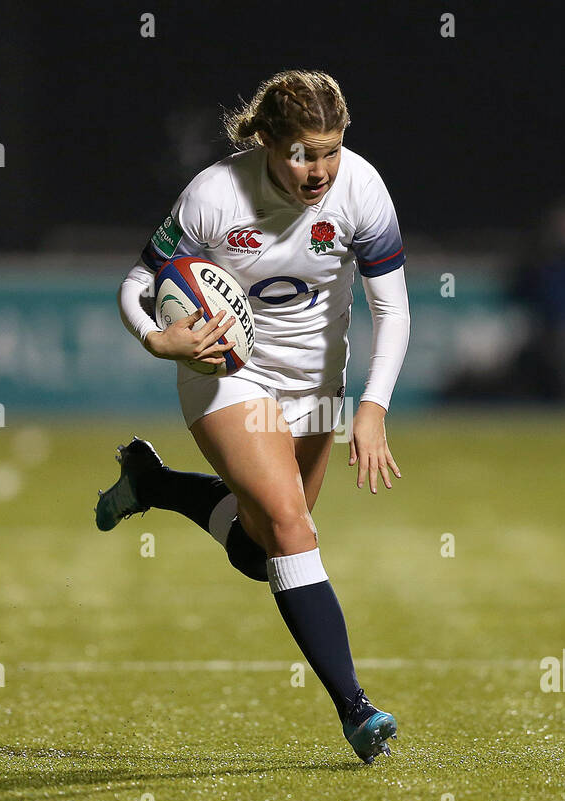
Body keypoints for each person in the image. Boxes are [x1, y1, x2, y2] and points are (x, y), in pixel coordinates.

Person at [96, 70, 410, 763]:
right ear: (268, 140)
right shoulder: (214, 195)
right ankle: (355, 709)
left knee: (262, 547)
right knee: (294, 527)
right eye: (302, 152)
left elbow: (393, 309)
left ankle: (154, 484)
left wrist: (373, 405)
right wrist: (158, 338)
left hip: (315, 388)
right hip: (228, 377)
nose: (318, 169)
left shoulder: (362, 189)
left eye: (329, 150)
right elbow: (136, 284)